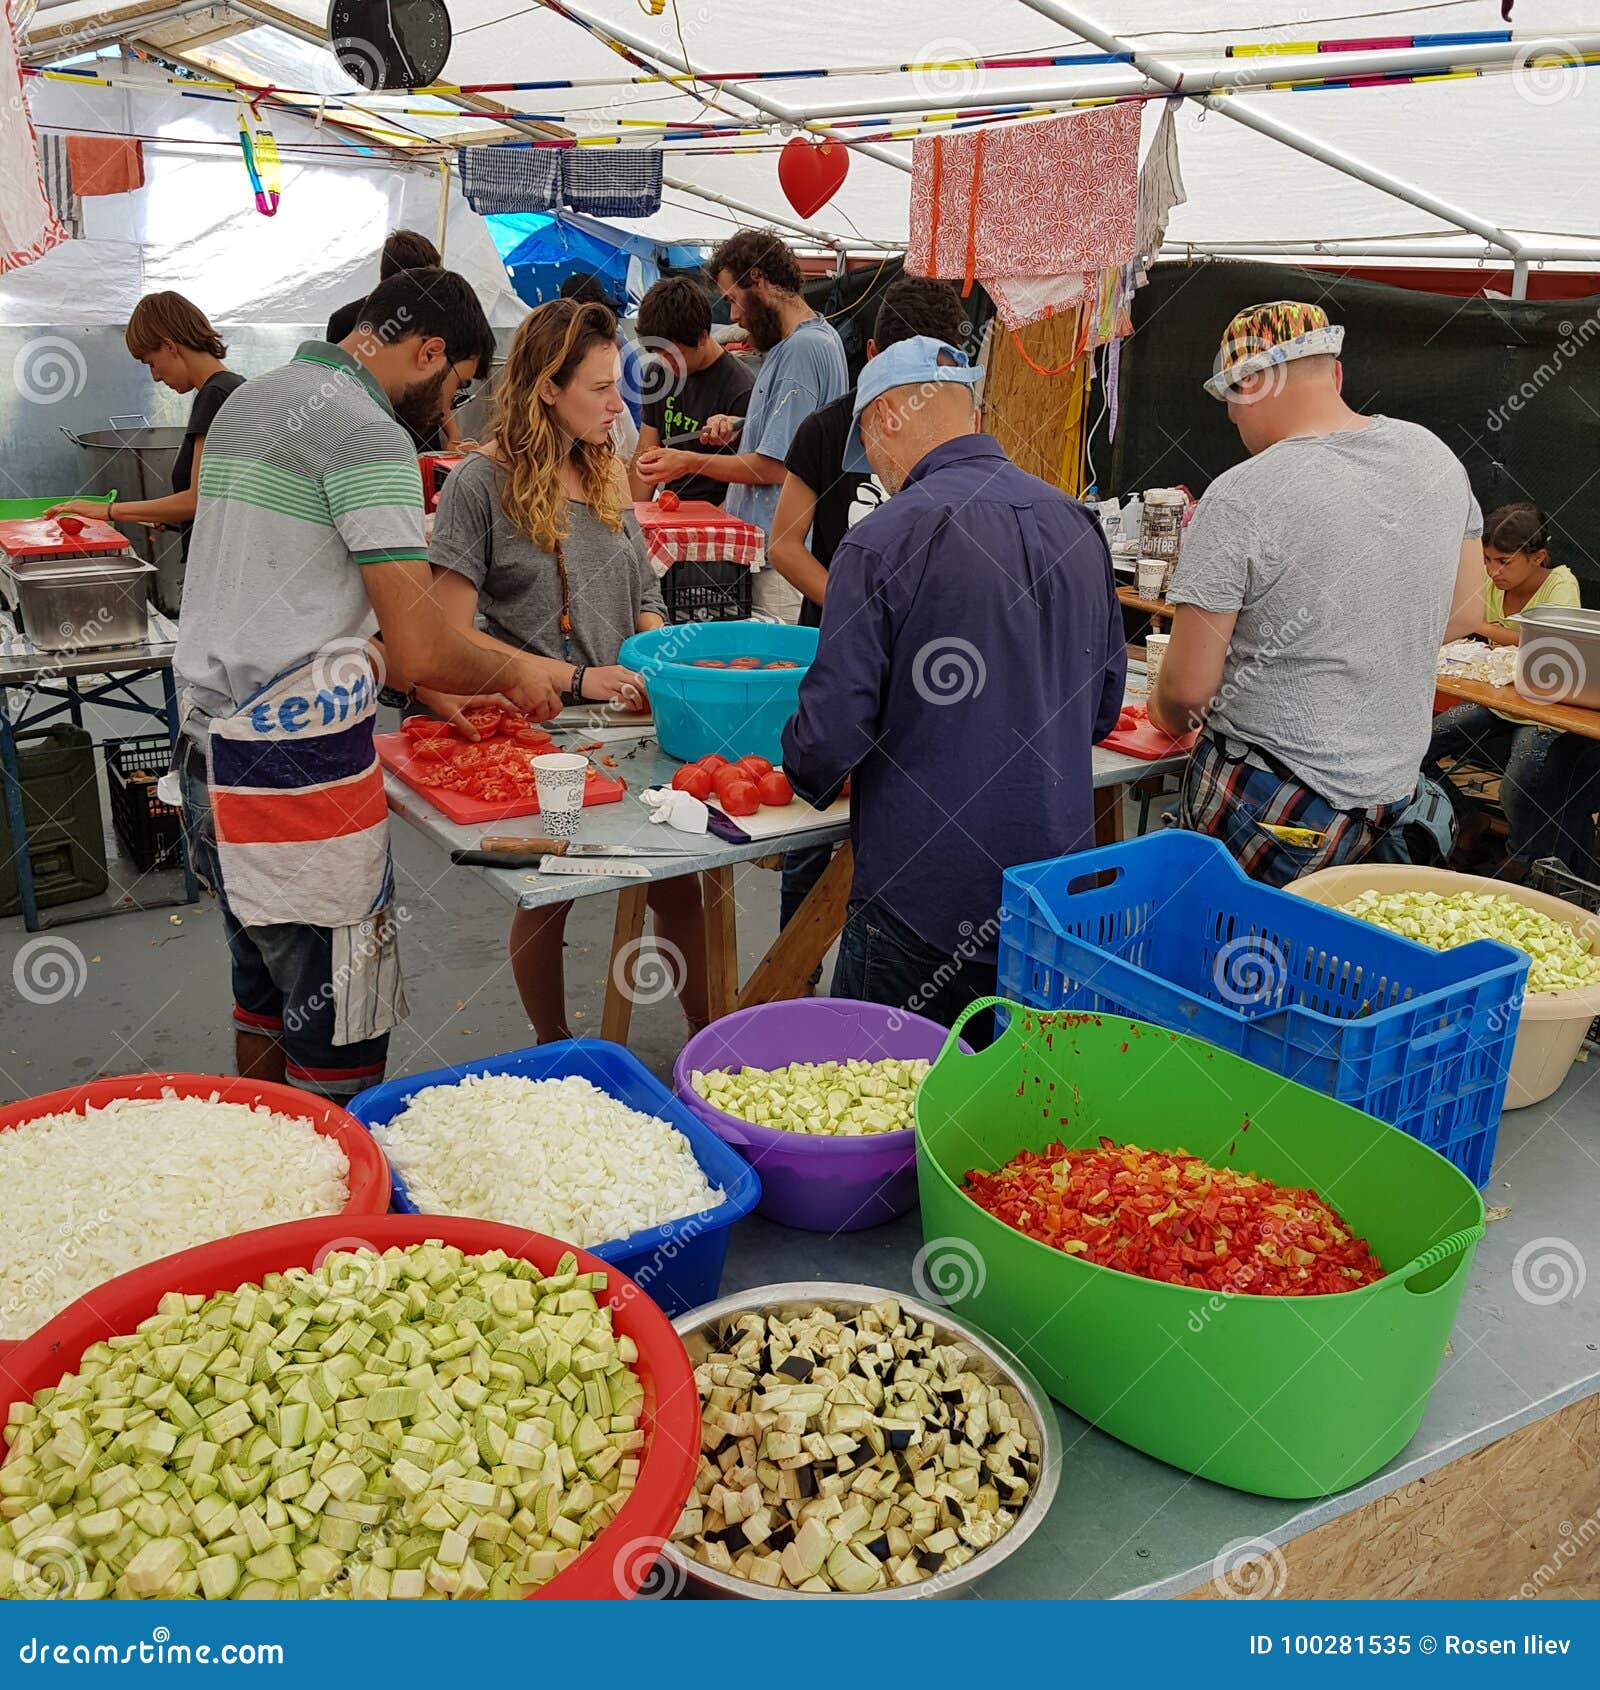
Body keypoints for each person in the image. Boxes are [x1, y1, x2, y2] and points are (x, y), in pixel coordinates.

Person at [175, 268, 564, 1101]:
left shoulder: (251, 398)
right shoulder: (368, 435)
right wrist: (524, 669)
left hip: (208, 751)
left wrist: (419, 687)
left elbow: (291, 605)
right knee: (339, 1017)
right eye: (455, 384)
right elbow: (423, 641)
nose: (450, 413)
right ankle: (334, 1200)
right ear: (426, 352)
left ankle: (272, 1164)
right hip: (295, 775)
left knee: (263, 991)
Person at [781, 338, 1126, 1029]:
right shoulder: (1076, 524)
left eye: (868, 452)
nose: (876, 471)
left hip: (920, 899)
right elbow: (1101, 708)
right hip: (1049, 899)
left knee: (883, 1104)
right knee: (1021, 1115)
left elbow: (825, 743)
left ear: (887, 419)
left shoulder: (881, 539)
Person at [427, 298, 707, 1045]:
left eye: (619, 386)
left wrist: (659, 654)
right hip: (544, 736)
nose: (619, 404)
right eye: (600, 388)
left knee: (682, 884)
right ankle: (555, 1047)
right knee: (552, 891)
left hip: (634, 726)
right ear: (546, 387)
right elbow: (450, 639)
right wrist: (578, 680)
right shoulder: (477, 487)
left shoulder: (606, 469)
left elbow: (643, 591)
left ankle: (710, 1042)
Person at [1148, 300, 1486, 888]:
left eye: (1231, 406)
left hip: (1271, 801)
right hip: (1394, 797)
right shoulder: (1437, 459)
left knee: (1232, 962)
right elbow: (1466, 613)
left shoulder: (1241, 494)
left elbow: (1188, 689)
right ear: (1335, 373)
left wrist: (1161, 710)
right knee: (1343, 970)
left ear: (1248, 382)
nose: (1236, 424)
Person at [770, 275, 971, 969]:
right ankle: (791, 979)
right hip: (834, 659)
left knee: (893, 833)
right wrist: (857, 608)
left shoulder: (961, 438)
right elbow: (784, 545)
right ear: (875, 354)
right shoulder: (828, 429)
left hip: (927, 682)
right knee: (808, 835)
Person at [635, 229, 848, 620]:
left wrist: (687, 461)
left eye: (733, 299)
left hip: (781, 558)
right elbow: (803, 433)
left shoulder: (802, 349)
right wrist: (740, 424)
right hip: (771, 554)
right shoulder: (806, 341)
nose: (732, 316)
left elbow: (777, 465)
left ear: (758, 282)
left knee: (775, 671)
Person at [1428, 504, 1583, 872]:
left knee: (1520, 781)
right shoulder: (1491, 581)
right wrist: (1501, 632)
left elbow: (1547, 646)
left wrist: (1484, 626)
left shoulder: (1561, 585)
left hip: (1542, 709)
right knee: (1419, 743)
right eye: (1486, 559)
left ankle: (1525, 859)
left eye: (1504, 561)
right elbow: (1484, 629)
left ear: (1538, 558)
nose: (1493, 571)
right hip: (1497, 700)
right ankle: (1466, 818)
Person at [48, 293, 244, 558]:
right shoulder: (234, 386)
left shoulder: (214, 395)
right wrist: (173, 519)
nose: (155, 376)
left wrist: (109, 511)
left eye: (151, 362)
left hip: (219, 563)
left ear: (169, 346)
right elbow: (226, 497)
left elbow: (197, 500)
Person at [326, 231, 463, 453]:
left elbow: (439, 387)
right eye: (425, 281)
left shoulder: (435, 318)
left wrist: (454, 435)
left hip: (423, 444)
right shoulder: (345, 322)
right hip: (365, 442)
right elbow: (335, 388)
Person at [627, 276, 754, 505]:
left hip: (717, 516)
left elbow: (747, 480)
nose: (668, 363)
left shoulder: (741, 388)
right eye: (660, 354)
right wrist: (632, 518)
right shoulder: (658, 374)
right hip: (668, 507)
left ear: (703, 337)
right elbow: (646, 454)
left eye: (676, 354)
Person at [560, 273, 647, 439]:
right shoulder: (559, 352)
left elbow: (638, 408)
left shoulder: (620, 347)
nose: (617, 405)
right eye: (601, 388)